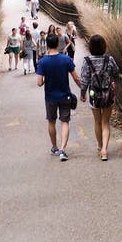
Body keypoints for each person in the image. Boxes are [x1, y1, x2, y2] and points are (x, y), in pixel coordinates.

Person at [36, 33, 81, 162]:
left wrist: (46, 79)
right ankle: (63, 150)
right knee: (65, 122)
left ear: (47, 45)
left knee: (51, 121)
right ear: (57, 44)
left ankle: (54, 147)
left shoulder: (43, 61)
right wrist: (83, 90)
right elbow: (76, 78)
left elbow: (39, 83)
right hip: (65, 95)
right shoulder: (66, 59)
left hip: (50, 96)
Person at [80, 34, 120, 161]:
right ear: (104, 46)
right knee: (105, 123)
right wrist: (111, 80)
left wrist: (82, 94)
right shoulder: (109, 59)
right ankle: (104, 150)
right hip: (108, 94)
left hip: (94, 95)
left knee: (97, 121)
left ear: (90, 47)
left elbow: (84, 79)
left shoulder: (87, 61)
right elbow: (116, 72)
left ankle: (100, 146)